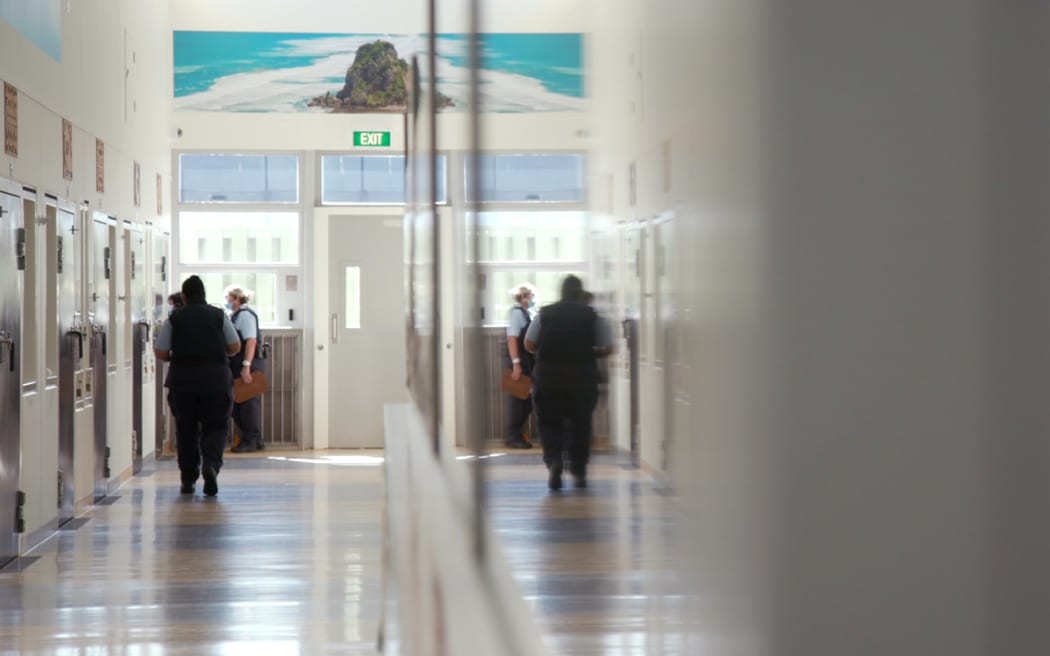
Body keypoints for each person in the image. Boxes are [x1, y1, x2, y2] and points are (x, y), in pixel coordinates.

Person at [524, 275, 613, 490]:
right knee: (581, 425)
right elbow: (608, 347)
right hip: (582, 379)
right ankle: (579, 471)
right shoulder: (593, 316)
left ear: (561, 292)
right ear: (580, 291)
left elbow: (529, 344)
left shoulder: (544, 314)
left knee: (549, 423)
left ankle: (554, 461)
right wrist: (588, 353)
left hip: (548, 378)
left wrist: (547, 352)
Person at [154, 275, 241, 496]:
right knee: (216, 426)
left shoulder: (174, 318)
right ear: (204, 294)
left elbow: (160, 351)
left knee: (186, 429)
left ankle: (188, 478)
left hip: (183, 380)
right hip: (216, 380)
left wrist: (177, 354)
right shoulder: (218, 315)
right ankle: (210, 465)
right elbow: (235, 346)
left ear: (184, 296)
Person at [225, 285, 266, 453]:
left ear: (236, 298)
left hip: (247, 364)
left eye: (228, 297)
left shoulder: (245, 316)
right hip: (238, 364)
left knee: (247, 404)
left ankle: (251, 440)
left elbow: (251, 341)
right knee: (239, 403)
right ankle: (255, 439)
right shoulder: (235, 316)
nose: (226, 301)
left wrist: (246, 367)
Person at [504, 282, 536, 449]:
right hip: (518, 362)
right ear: (524, 297)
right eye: (531, 295)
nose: (533, 299)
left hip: (525, 362)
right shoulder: (517, 313)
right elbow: (512, 338)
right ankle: (513, 437)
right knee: (519, 401)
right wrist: (516, 364)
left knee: (527, 401)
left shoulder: (526, 313)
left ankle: (516, 435)